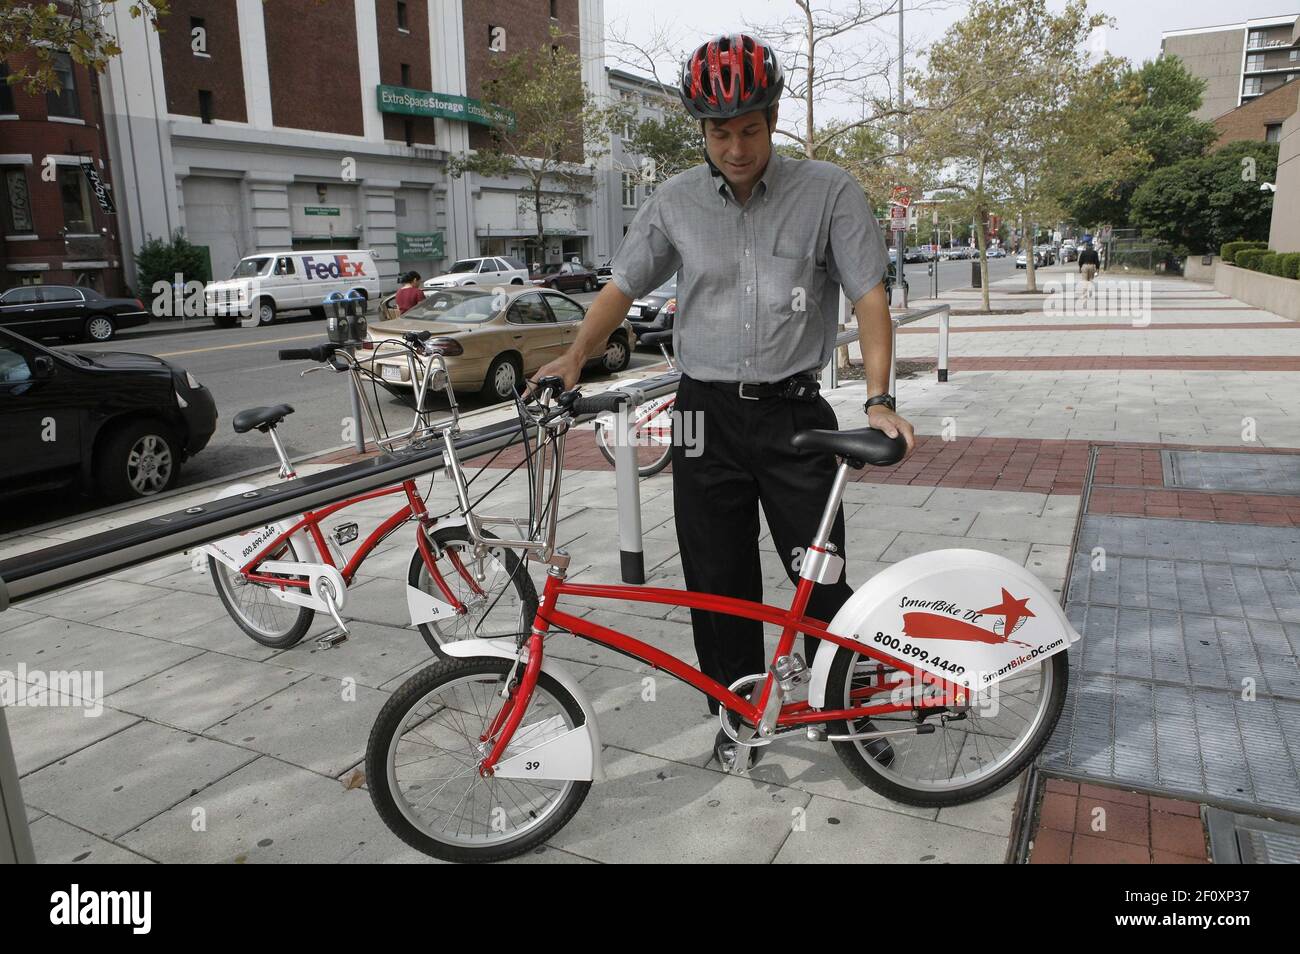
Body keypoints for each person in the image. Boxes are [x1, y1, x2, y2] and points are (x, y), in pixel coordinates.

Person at [531, 32, 915, 769]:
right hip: (702, 413)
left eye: (749, 129)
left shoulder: (828, 190)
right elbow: (624, 286)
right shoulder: (673, 201)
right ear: (700, 130)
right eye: (718, 132)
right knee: (716, 574)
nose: (735, 147)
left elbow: (869, 296)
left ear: (772, 119)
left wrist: (878, 397)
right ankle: (740, 711)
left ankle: (850, 712)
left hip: (796, 414)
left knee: (822, 568)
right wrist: (575, 357)